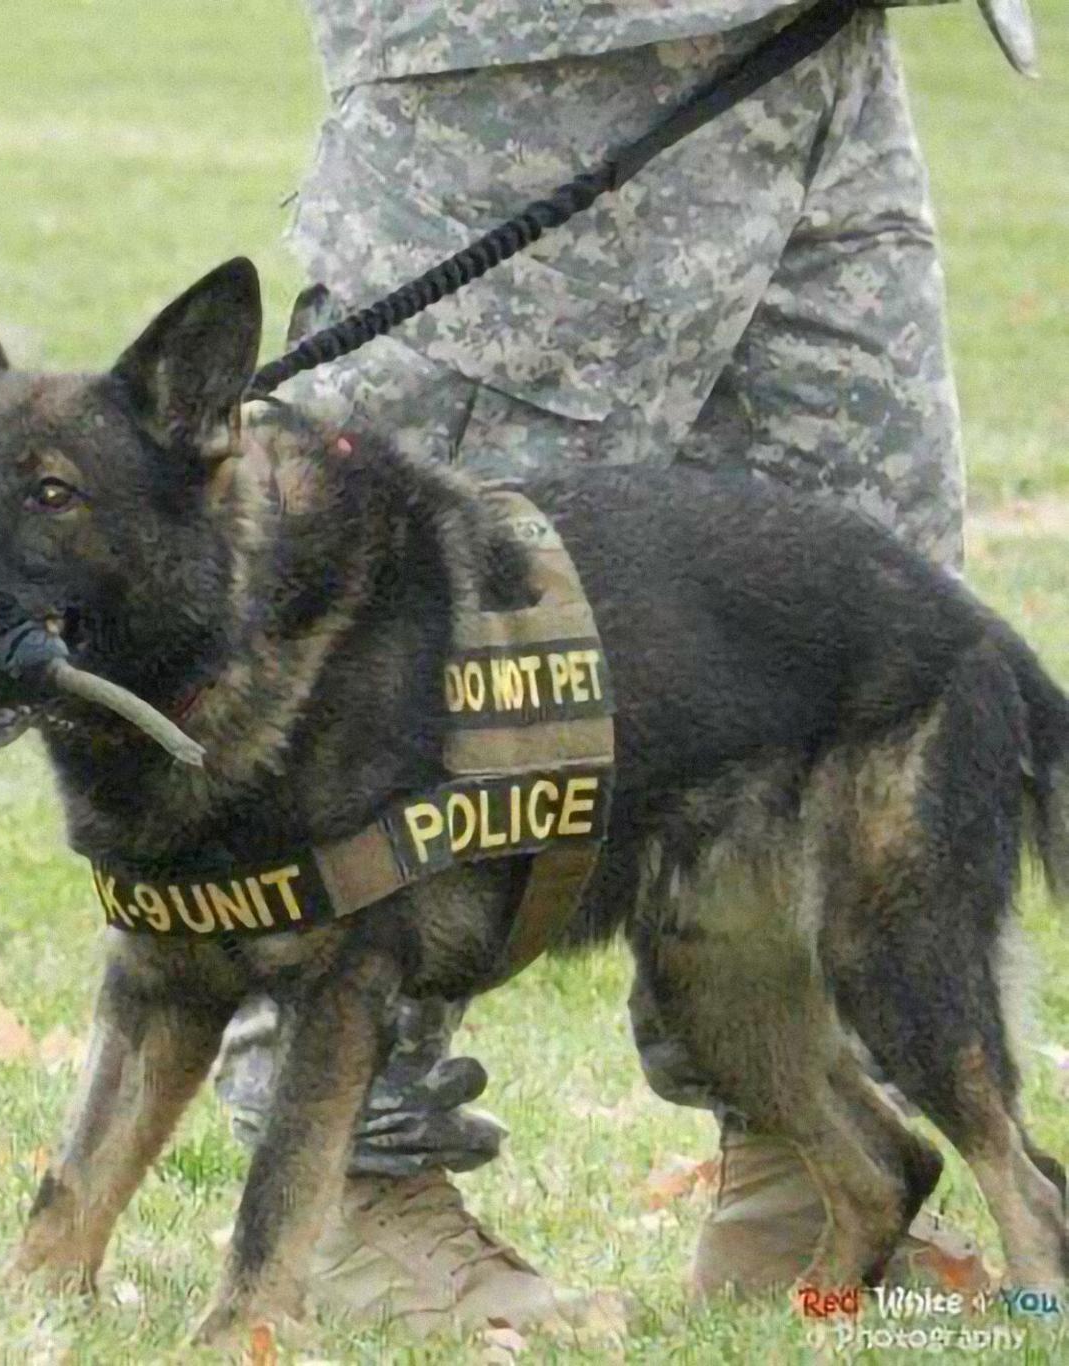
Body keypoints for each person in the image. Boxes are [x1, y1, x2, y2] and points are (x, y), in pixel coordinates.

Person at [215, 0, 1037, 1334]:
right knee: (417, 656)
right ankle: (352, 1196)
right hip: (540, 70)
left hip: (819, 63)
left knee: (865, 648)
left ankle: (807, 1165)